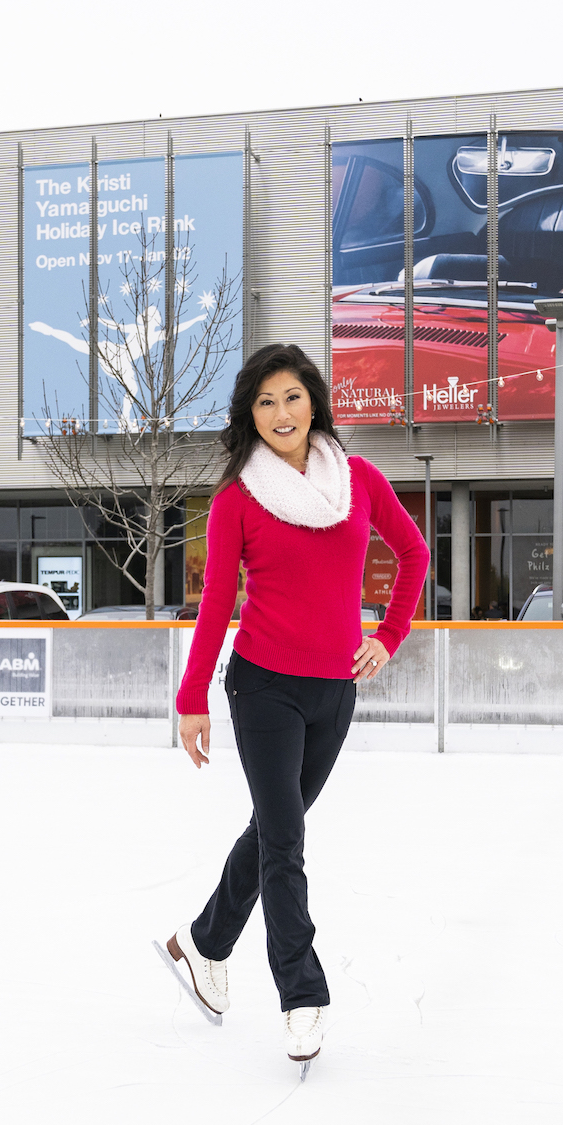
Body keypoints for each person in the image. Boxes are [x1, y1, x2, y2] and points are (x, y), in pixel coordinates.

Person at [160, 343, 428, 1073]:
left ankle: (203, 943)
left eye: (292, 397)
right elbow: (217, 602)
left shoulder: (359, 479)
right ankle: (302, 995)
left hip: (334, 691)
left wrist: (389, 635)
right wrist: (192, 698)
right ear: (250, 415)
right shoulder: (236, 500)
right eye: (265, 401)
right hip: (263, 688)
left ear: (314, 402)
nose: (281, 413)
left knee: (273, 831)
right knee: (285, 843)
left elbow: (413, 553)